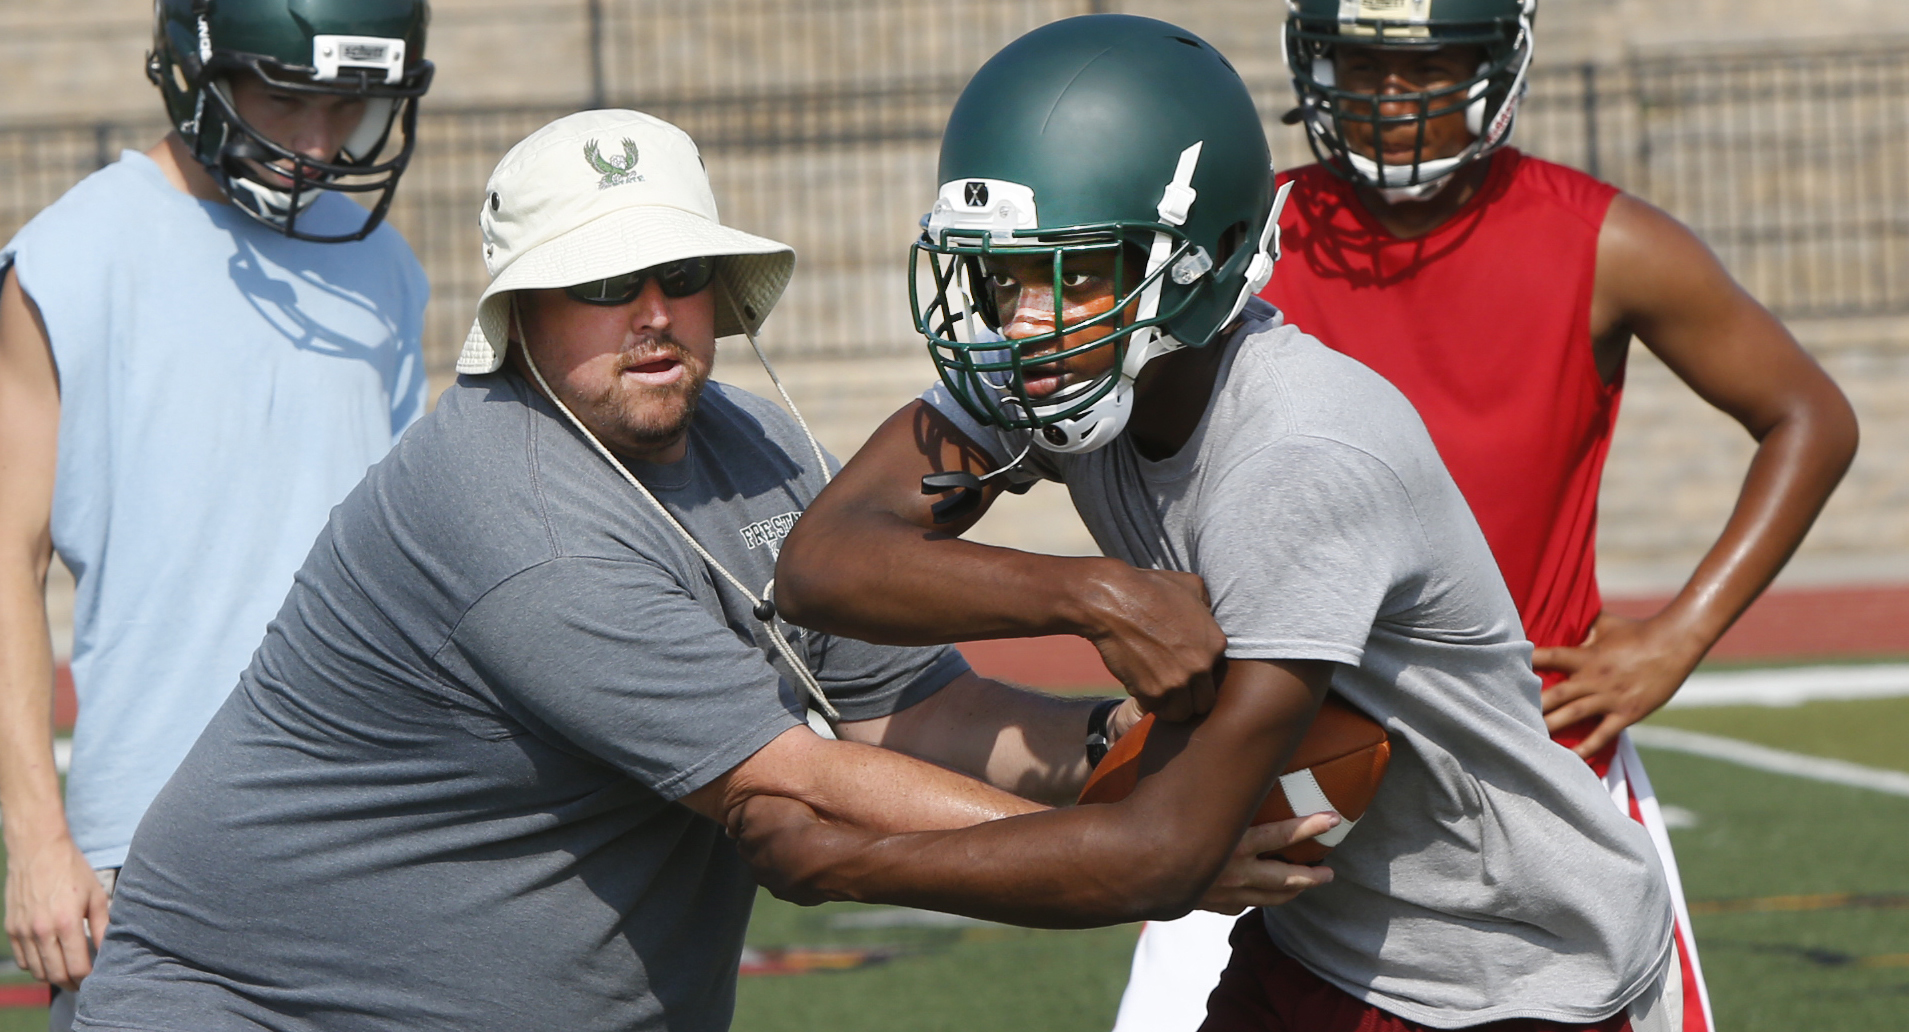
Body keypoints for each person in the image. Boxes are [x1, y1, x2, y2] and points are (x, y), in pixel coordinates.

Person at [65, 107, 1330, 1032]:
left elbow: (912, 712)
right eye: (603, 283)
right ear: (524, 311)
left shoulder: (755, 443)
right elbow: (809, 789)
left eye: (681, 274)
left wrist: (1118, 742)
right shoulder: (511, 511)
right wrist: (1149, 852)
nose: (655, 311)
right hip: (262, 1012)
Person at [775, 14, 1684, 1032]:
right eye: (1007, 274)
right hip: (1322, 934)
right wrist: (1087, 594)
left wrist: (849, 859)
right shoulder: (1071, 360)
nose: (1028, 321)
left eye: (1075, 271)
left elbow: (1159, 858)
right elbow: (822, 562)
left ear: (1197, 266)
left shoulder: (1296, 457)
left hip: (1508, 970)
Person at [1110, 2, 1860, 1029]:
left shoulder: (1604, 241)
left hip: (1527, 791)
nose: (1387, 97)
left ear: (1496, 62)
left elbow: (1808, 415)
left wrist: (1678, 636)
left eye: (1427, 66)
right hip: (1266, 775)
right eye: (1360, 64)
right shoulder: (1242, 243)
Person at [0, 0, 431, 1025]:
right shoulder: (68, 256)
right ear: (197, 70)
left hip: (382, 842)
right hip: (148, 860)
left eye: (350, 106)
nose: (322, 142)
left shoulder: (387, 266)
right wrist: (39, 842)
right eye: (287, 98)